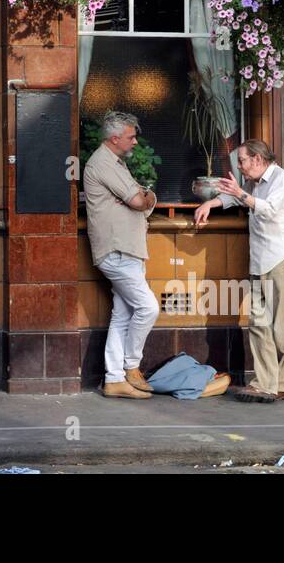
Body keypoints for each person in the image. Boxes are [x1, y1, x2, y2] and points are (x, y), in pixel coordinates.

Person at [194, 139, 284, 403]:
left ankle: (283, 383)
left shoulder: (282, 179)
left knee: (281, 326)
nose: (240, 167)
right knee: (258, 323)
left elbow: (270, 210)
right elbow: (235, 196)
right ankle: (265, 384)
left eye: (241, 161)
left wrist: (241, 195)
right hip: (259, 260)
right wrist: (211, 204)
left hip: (281, 259)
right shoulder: (254, 183)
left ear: (257, 158)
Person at [83, 110, 160, 400]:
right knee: (148, 307)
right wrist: (145, 196)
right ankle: (131, 366)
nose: (135, 142)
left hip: (125, 249)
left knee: (123, 313)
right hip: (117, 251)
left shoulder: (114, 162)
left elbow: (140, 199)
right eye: (131, 137)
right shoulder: (104, 163)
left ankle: (113, 378)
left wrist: (142, 197)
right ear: (115, 139)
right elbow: (140, 200)